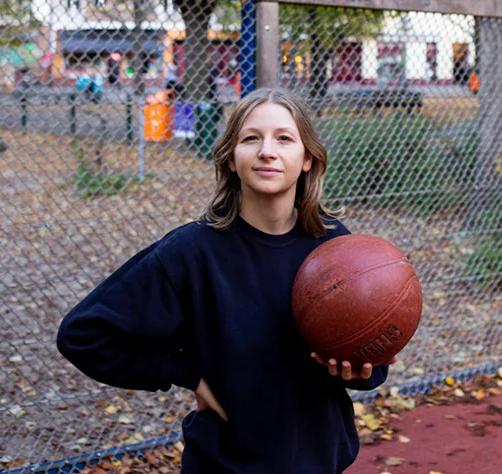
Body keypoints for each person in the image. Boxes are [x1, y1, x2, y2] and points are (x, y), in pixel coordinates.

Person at [57, 87, 389, 473]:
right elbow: (83, 335)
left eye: (284, 138)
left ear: (307, 159)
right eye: (251, 138)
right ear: (231, 158)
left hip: (319, 462)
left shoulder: (335, 247)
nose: (267, 151)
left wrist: (360, 367)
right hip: (225, 464)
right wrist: (184, 372)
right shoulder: (192, 252)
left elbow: (370, 360)